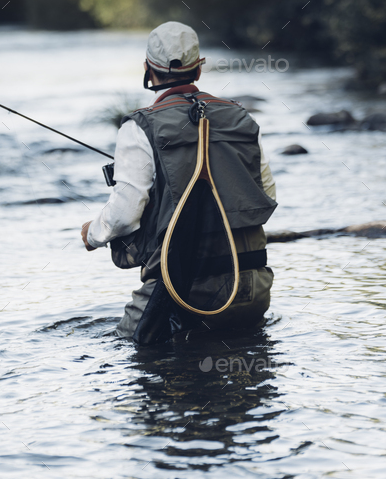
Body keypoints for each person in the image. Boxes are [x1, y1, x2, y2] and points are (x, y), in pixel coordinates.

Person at [81, 21, 277, 345]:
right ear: (198, 69)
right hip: (254, 291)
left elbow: (124, 215)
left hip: (184, 295)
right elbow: (266, 194)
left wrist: (92, 234)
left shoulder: (139, 127)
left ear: (148, 70)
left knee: (124, 350)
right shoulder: (242, 118)